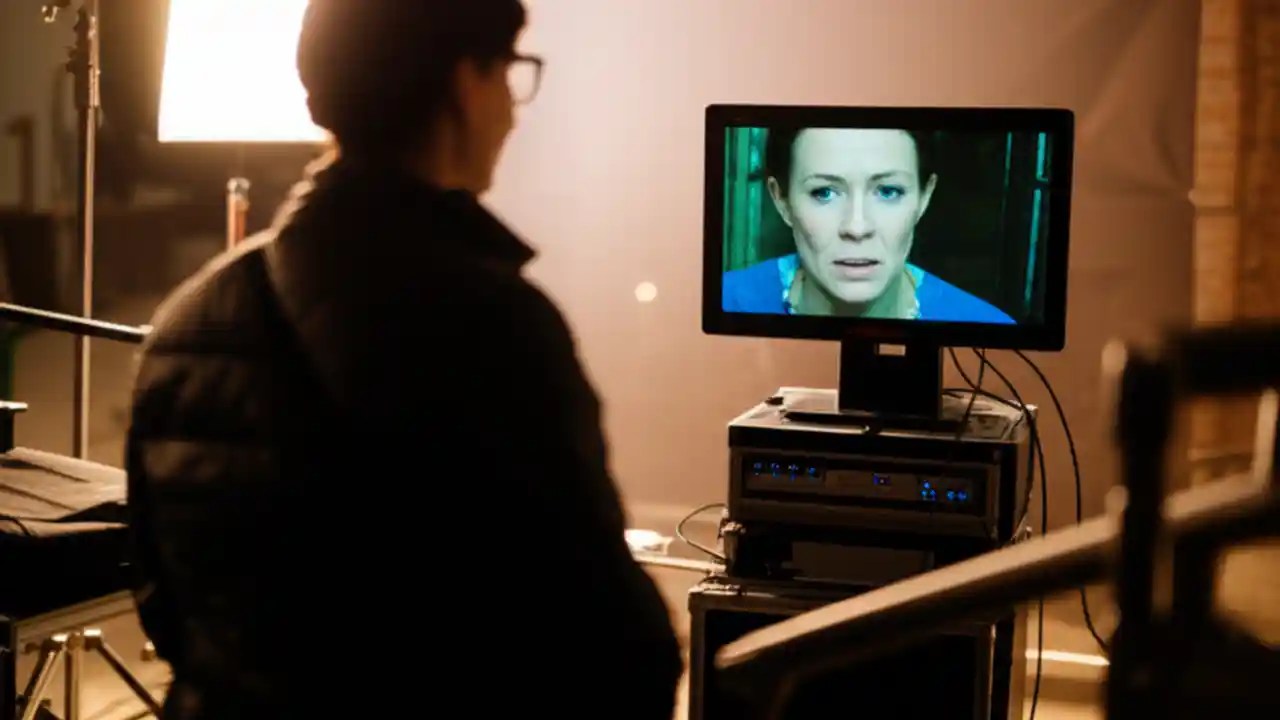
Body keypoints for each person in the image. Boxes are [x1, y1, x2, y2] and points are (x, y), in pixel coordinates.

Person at [124, 2, 682, 717]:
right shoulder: (495, 324)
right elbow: (607, 643)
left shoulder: (185, 323)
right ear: (464, 86)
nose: (512, 114)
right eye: (509, 75)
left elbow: (167, 611)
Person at [722, 127, 1016, 323]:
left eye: (889, 191)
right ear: (782, 200)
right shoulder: (728, 301)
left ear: (924, 197)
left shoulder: (987, 327)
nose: (857, 227)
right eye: (823, 193)